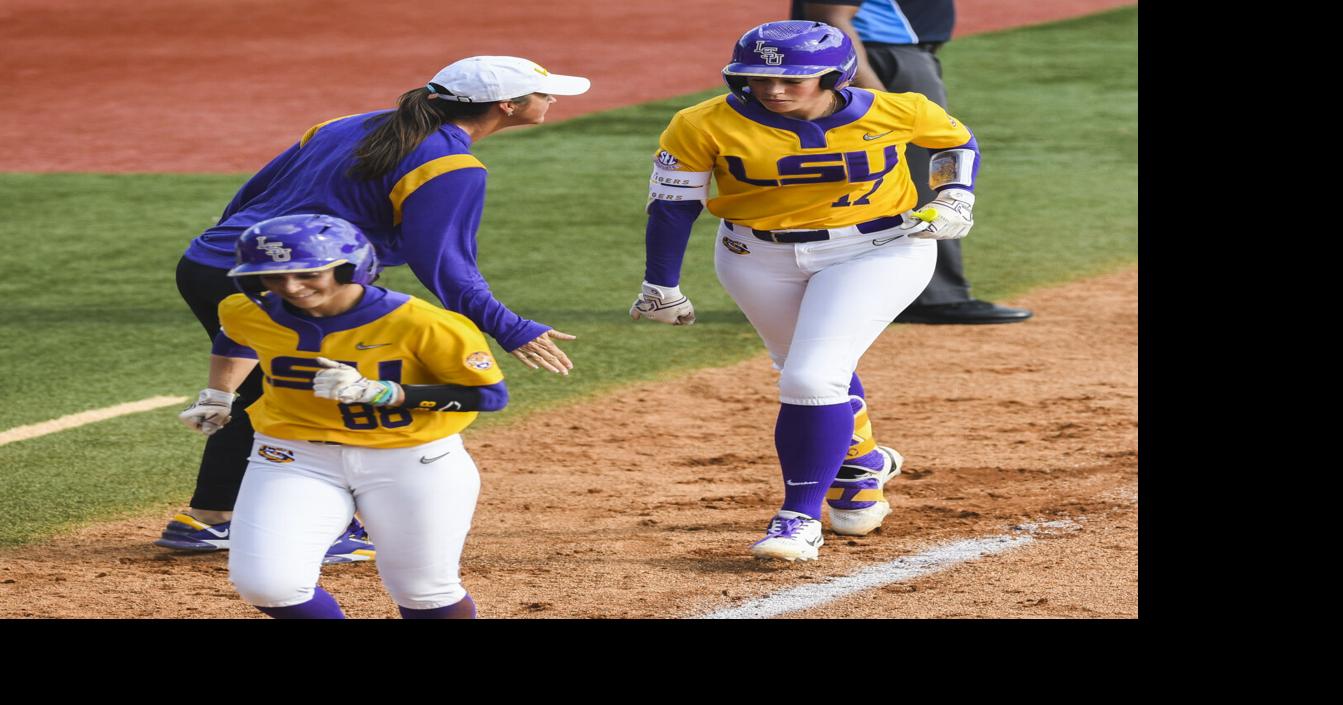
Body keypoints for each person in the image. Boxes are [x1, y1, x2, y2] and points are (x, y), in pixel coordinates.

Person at [158, 56, 591, 559]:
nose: (553, 100)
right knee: (314, 391)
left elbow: (251, 196)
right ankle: (287, 524)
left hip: (214, 264)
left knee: (273, 386)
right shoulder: (450, 166)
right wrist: (509, 327)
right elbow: (446, 266)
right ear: (507, 106)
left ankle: (211, 518)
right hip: (294, 280)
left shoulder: (341, 125)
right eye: (544, 93)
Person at [629, 20, 981, 561]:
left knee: (811, 375)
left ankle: (797, 519)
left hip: (879, 248)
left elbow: (955, 142)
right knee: (808, 367)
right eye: (757, 78)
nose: (773, 90)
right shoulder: (700, 123)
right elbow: (673, 207)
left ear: (834, 76)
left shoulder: (897, 109)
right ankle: (861, 465)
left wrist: (955, 194)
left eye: (794, 79)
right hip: (755, 257)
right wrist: (661, 282)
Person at [177, 214, 505, 618]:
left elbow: (489, 395)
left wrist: (384, 392)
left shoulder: (424, 323)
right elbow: (235, 336)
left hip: (411, 459)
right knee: (267, 583)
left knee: (423, 590)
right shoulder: (246, 310)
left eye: (308, 274)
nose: (291, 288)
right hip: (292, 457)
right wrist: (219, 394)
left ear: (348, 268)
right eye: (273, 277)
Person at [795, 0, 1031, 325]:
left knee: (893, 179)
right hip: (878, 61)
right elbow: (831, 16)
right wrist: (879, 99)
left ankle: (879, 292)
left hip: (887, 56)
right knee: (923, 176)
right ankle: (934, 296)